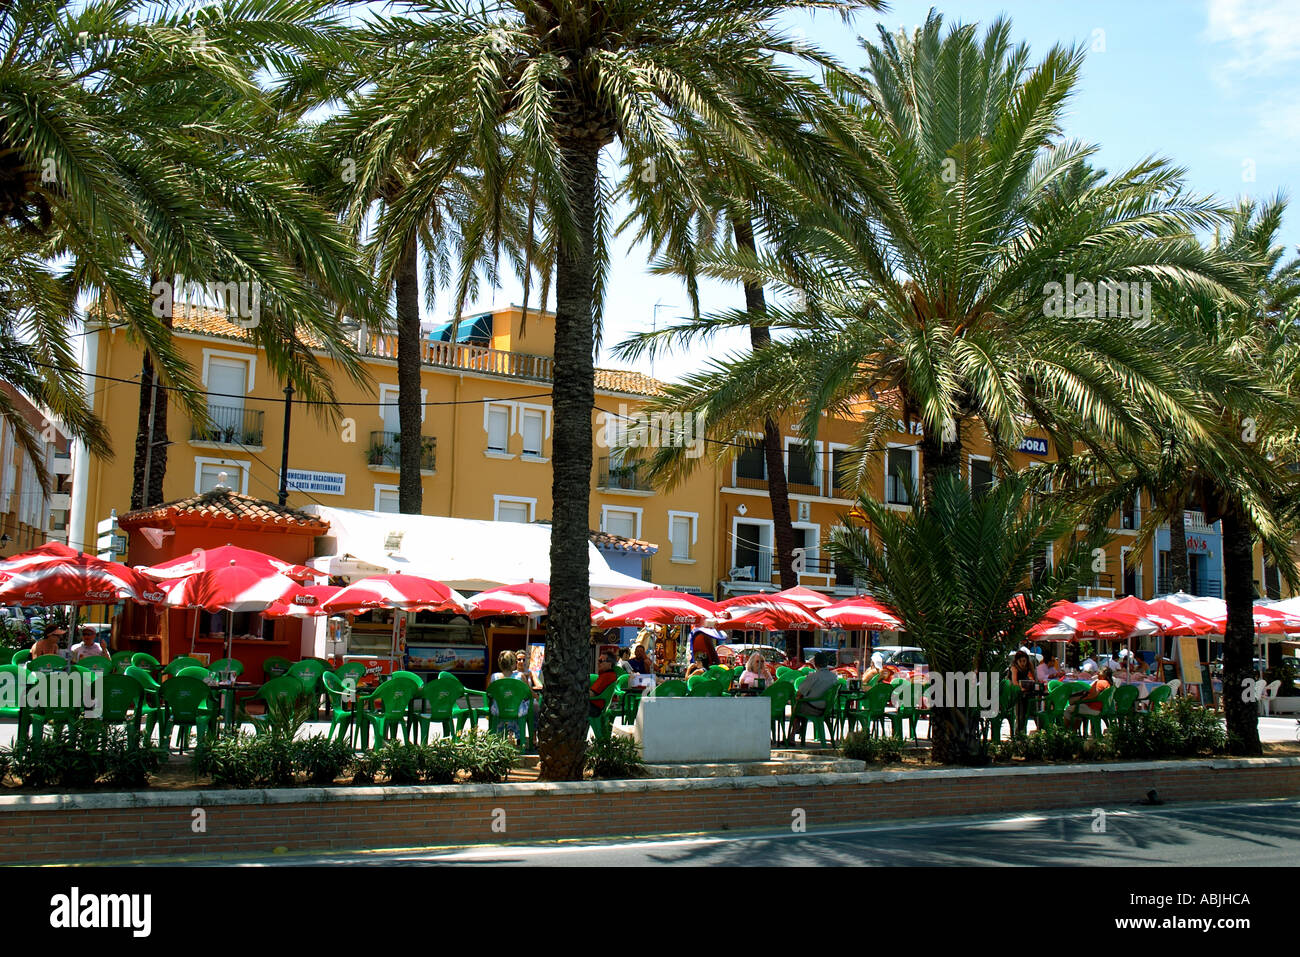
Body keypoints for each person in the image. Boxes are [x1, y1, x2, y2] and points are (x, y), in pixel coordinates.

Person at [786, 652, 838, 745]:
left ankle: (792, 736)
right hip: (827, 709)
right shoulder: (834, 677)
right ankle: (799, 728)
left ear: (815, 664)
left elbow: (799, 693)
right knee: (800, 705)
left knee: (797, 707)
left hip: (813, 708)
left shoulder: (813, 677)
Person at [488, 650, 534, 743]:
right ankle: (519, 737)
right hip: (517, 711)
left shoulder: (494, 677)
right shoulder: (520, 676)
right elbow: (528, 694)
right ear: (513, 664)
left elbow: (489, 693)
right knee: (522, 705)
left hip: (498, 711)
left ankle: (497, 738)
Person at [1009, 650, 1038, 735]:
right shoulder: (1014, 667)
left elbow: (1035, 677)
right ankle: (1019, 734)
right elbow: (1014, 682)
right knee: (1020, 714)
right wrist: (1020, 688)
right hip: (1014, 690)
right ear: (1016, 661)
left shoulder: (1029, 664)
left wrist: (1034, 683)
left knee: (1028, 712)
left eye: (1024, 661)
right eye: (1020, 661)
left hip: (1026, 689)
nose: (1022, 663)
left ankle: (1025, 731)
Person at [589, 651, 621, 716]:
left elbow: (592, 694)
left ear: (609, 663)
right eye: (598, 660)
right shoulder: (612, 675)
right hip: (601, 707)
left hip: (595, 708)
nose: (598, 663)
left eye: (601, 661)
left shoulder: (606, 677)